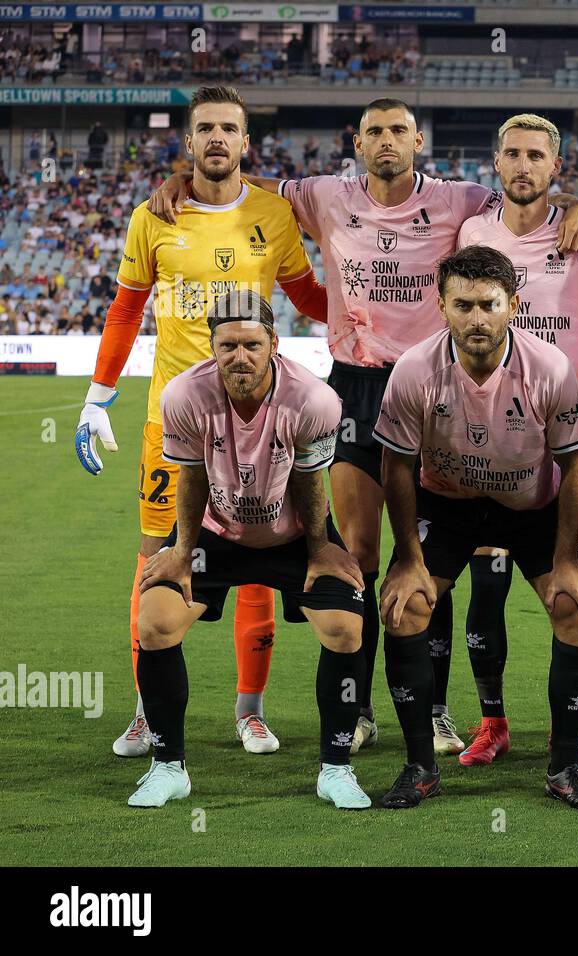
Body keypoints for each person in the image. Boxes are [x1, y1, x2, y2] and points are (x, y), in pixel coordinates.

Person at [149, 99, 578, 758]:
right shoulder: (324, 194)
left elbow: (522, 190)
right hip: (356, 385)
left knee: (434, 551)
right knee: (356, 552)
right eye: (375, 132)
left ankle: (438, 711)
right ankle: (356, 712)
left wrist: (575, 201)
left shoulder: (459, 199)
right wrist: (185, 182)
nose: (387, 141)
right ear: (357, 142)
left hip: (432, 386)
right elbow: (248, 185)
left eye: (398, 131)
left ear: (419, 139)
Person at [77, 86, 328, 761]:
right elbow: (126, 311)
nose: (217, 138)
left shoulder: (274, 215)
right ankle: (145, 712)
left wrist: (388, 309)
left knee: (254, 561)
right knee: (158, 558)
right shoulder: (151, 216)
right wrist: (97, 397)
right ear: (188, 143)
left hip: (258, 423)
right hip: (174, 424)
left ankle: (250, 711)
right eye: (205, 129)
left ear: (247, 142)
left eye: (229, 128)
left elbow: (308, 297)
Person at [372, 245, 578, 810]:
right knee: (405, 606)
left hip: (531, 509)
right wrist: (407, 556)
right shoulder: (414, 371)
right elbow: (396, 467)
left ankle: (564, 767)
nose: (477, 318)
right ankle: (420, 766)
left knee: (576, 606)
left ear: (513, 306)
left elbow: (577, 463)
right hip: (448, 505)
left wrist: (570, 557)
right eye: (463, 305)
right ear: (442, 306)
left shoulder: (548, 368)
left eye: (489, 305)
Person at [127, 290, 369, 810]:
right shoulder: (183, 395)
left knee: (346, 629)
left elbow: (311, 479)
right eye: (228, 345)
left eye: (251, 345)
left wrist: (321, 546)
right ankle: (168, 767)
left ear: (274, 344)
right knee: (155, 622)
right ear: (211, 347)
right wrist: (182, 548)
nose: (240, 356)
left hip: (294, 536)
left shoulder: (314, 399)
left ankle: (336, 768)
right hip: (215, 534)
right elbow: (189, 477)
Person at [454, 113, 578, 766]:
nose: (523, 165)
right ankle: (491, 722)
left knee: (571, 597)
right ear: (496, 162)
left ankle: (566, 735)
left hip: (564, 449)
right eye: (512, 153)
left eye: (536, 156)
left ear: (556, 169)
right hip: (489, 443)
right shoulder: (472, 233)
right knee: (487, 586)